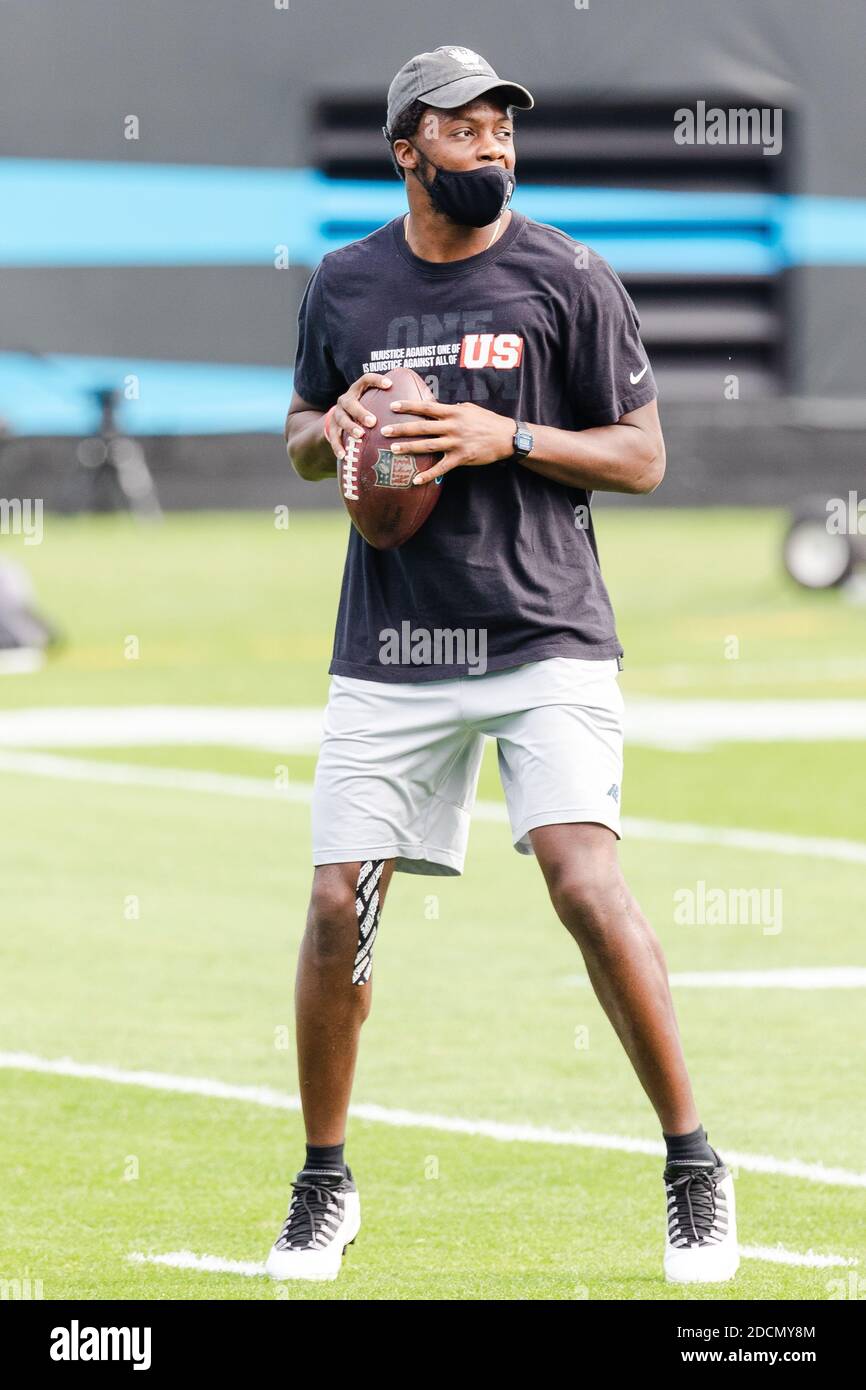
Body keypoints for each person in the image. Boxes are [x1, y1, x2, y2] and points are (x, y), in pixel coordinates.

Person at [266, 44, 739, 1286]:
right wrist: (345, 431)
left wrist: (504, 433)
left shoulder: (568, 275)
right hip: (393, 642)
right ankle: (324, 1182)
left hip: (543, 633)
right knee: (332, 907)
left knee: (584, 883)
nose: (492, 148)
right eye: (463, 130)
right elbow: (303, 437)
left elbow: (642, 459)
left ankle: (693, 1163)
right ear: (406, 148)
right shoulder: (345, 283)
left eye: (501, 130)